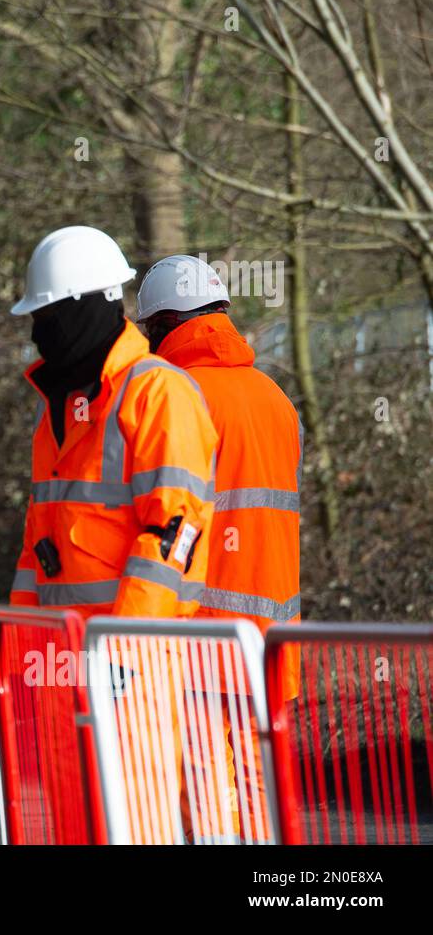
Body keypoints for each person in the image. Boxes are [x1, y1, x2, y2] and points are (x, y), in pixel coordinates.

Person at [8, 226, 220, 842]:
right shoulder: (60, 410)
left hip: (132, 668)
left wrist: (120, 647)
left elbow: (175, 533)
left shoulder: (156, 392)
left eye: (47, 314)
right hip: (60, 663)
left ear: (89, 305)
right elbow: (37, 550)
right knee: (77, 823)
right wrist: (24, 652)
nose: (38, 331)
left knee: (135, 821)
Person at [136, 254, 302, 702]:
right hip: (273, 640)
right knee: (260, 770)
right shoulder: (277, 398)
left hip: (204, 644)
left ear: (167, 322)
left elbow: (166, 516)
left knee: (204, 770)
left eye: (150, 329)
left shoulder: (177, 396)